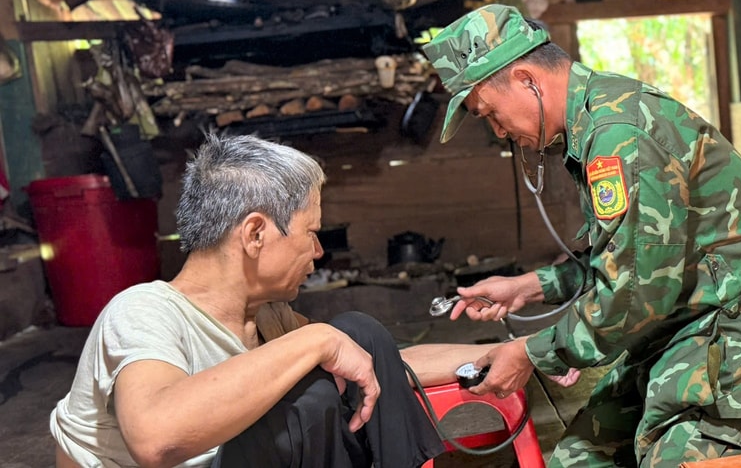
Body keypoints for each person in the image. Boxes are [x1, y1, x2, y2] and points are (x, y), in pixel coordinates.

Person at [420, 4, 741, 467]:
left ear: (526, 79)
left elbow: (636, 294)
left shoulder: (619, 136)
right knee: (576, 462)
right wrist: (532, 286)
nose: (499, 131)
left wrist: (532, 353)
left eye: (490, 113)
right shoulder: (595, 121)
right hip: (682, 330)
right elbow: (629, 257)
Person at [49, 133, 461, 468]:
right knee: (313, 397)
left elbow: (375, 366)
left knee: (359, 333)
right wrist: (315, 341)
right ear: (255, 235)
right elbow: (156, 439)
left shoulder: (265, 317)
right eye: (310, 232)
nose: (318, 250)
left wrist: (493, 356)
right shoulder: (143, 311)